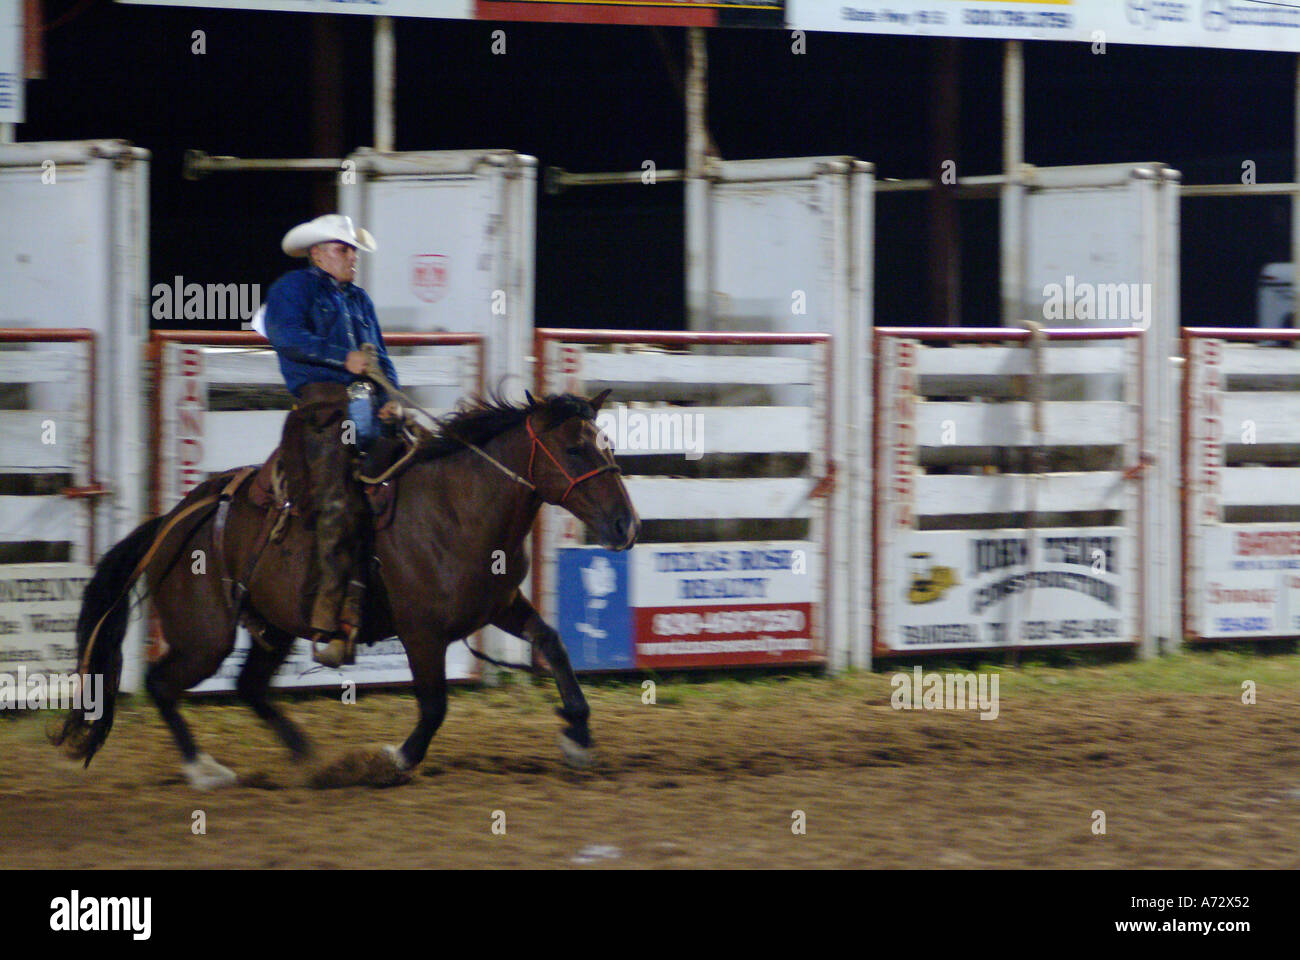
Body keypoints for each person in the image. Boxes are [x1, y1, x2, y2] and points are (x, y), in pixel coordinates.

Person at [262, 214, 402, 668]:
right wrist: (343, 358)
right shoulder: (293, 289)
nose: (352, 257)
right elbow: (286, 337)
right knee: (336, 504)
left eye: (353, 250)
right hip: (323, 408)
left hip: (365, 406)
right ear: (318, 252)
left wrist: (392, 398)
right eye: (344, 249)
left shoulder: (360, 301)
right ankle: (329, 620)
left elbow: (378, 355)